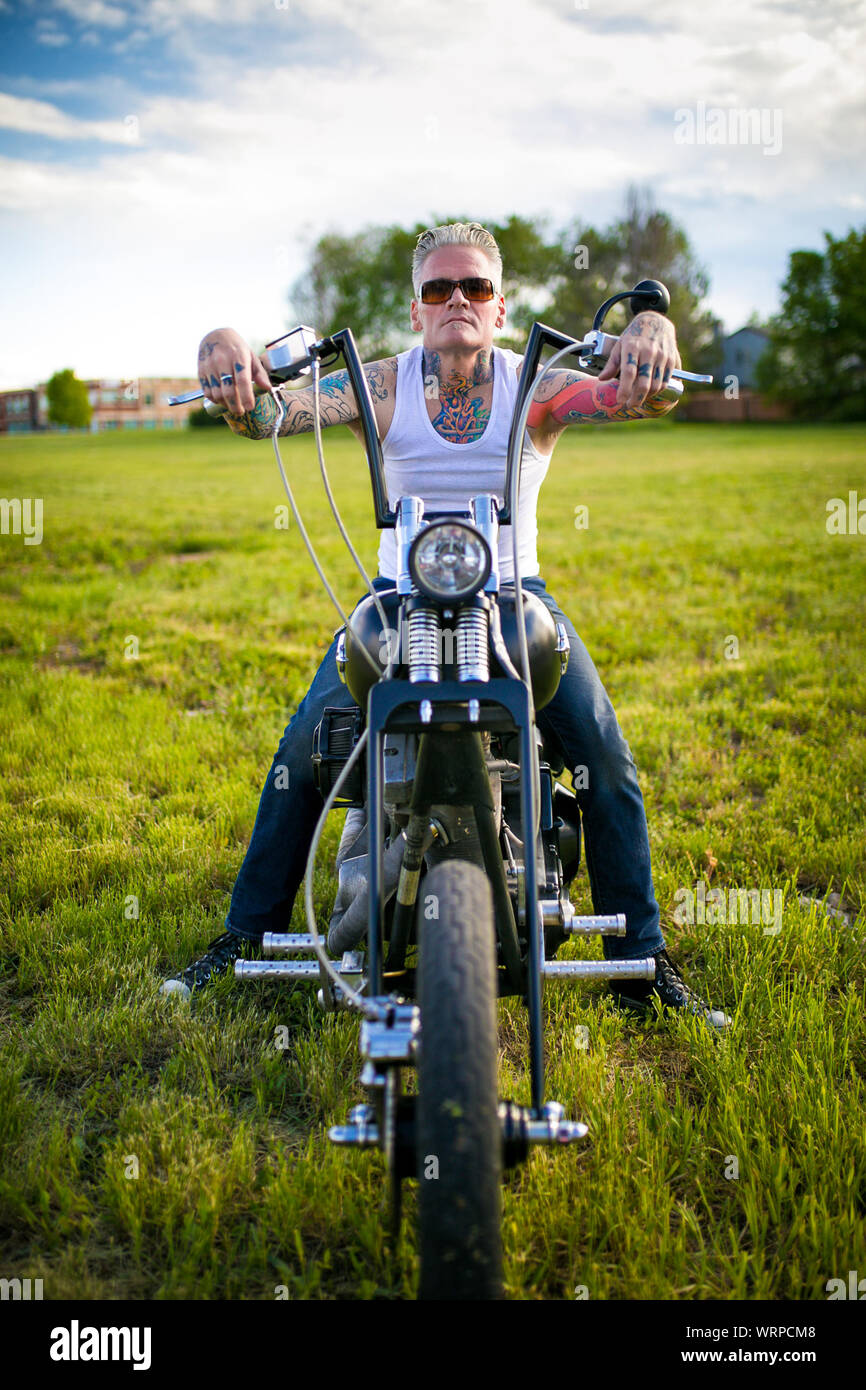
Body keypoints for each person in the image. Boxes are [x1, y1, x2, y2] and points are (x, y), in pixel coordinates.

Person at [161, 221, 730, 1031]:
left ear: (500, 307)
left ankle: (641, 960)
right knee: (299, 755)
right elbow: (266, 416)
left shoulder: (535, 384)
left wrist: (653, 332)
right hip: (396, 601)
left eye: (475, 289)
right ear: (418, 306)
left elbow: (643, 393)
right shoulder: (379, 385)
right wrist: (225, 349)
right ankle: (243, 937)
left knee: (606, 756)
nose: (457, 300)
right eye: (439, 289)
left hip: (513, 593)